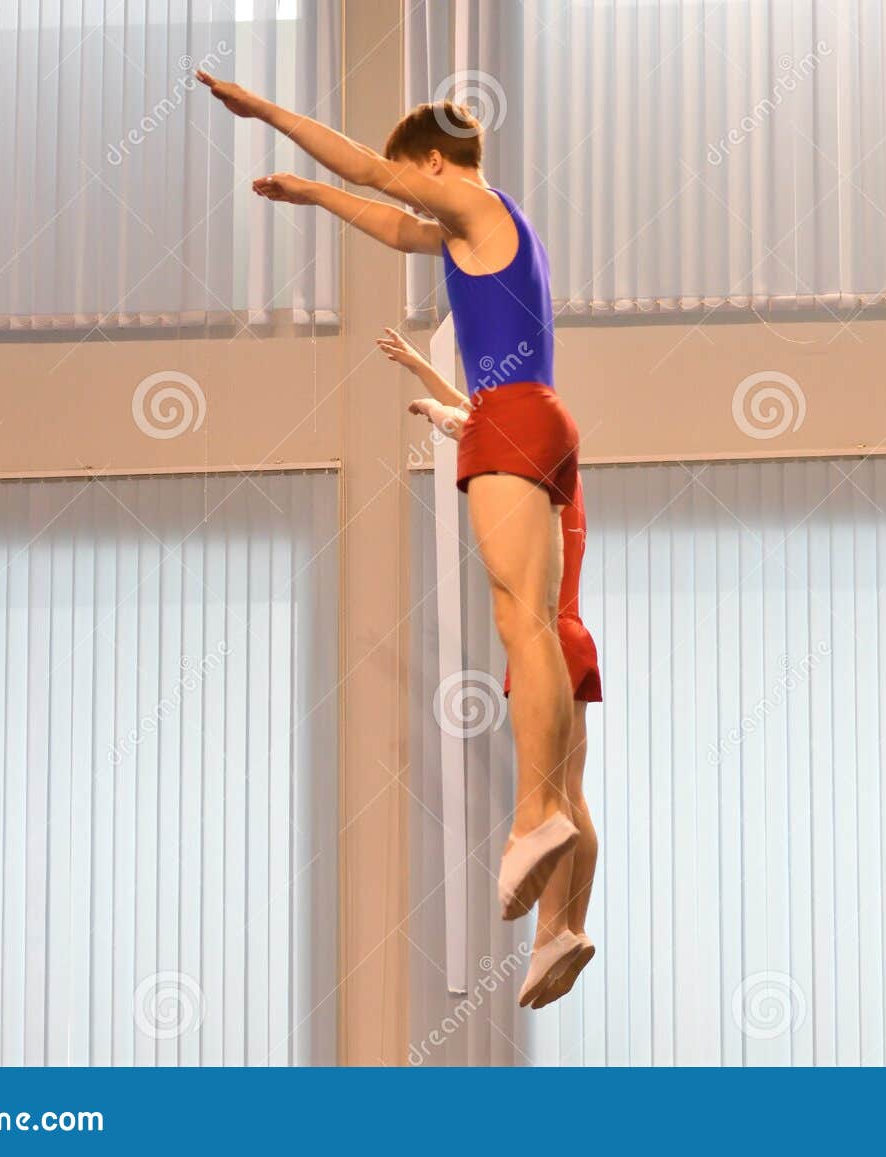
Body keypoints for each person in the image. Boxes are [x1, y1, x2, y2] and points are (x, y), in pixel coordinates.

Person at [196, 73, 591, 985]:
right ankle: (556, 877)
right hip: (529, 416)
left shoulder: (471, 197)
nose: (408, 188)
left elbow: (376, 175)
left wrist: (265, 113)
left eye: (412, 170)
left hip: (514, 415)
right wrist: (308, 197)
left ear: (434, 163)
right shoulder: (474, 233)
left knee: (524, 624)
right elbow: (381, 217)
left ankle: (537, 812)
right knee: (525, 621)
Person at [378, 328, 599, 1007]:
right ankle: (565, 927)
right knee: (571, 791)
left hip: (550, 643)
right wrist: (427, 377)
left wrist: (436, 400)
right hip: (570, 633)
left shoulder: (528, 467)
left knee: (556, 797)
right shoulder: (548, 468)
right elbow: (483, 427)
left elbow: (478, 428)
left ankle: (558, 931)